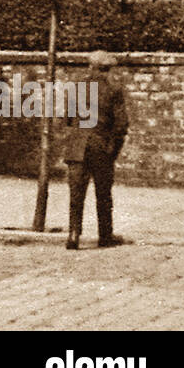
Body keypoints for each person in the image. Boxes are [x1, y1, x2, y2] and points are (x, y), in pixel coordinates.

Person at [65, 50, 129, 250]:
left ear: (90, 67)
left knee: (76, 194)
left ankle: (74, 234)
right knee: (103, 193)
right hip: (101, 147)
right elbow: (121, 126)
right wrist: (112, 150)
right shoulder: (114, 90)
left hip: (77, 147)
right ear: (108, 69)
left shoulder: (76, 88)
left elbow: (68, 118)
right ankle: (105, 236)